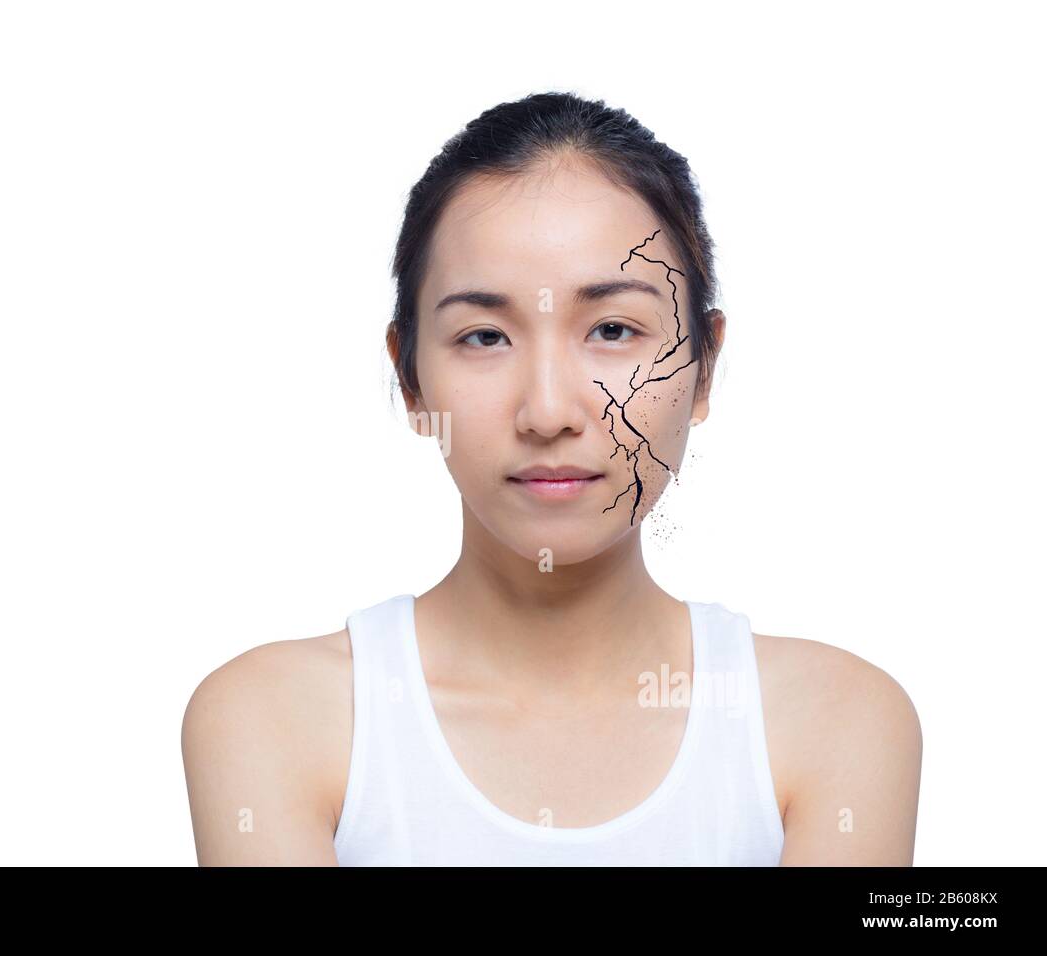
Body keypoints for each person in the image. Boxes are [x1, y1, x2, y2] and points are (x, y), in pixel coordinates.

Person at [182, 91, 922, 866]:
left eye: (612, 330)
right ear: (410, 380)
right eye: (485, 335)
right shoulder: (274, 716)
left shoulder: (837, 721)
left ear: (703, 369)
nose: (547, 410)